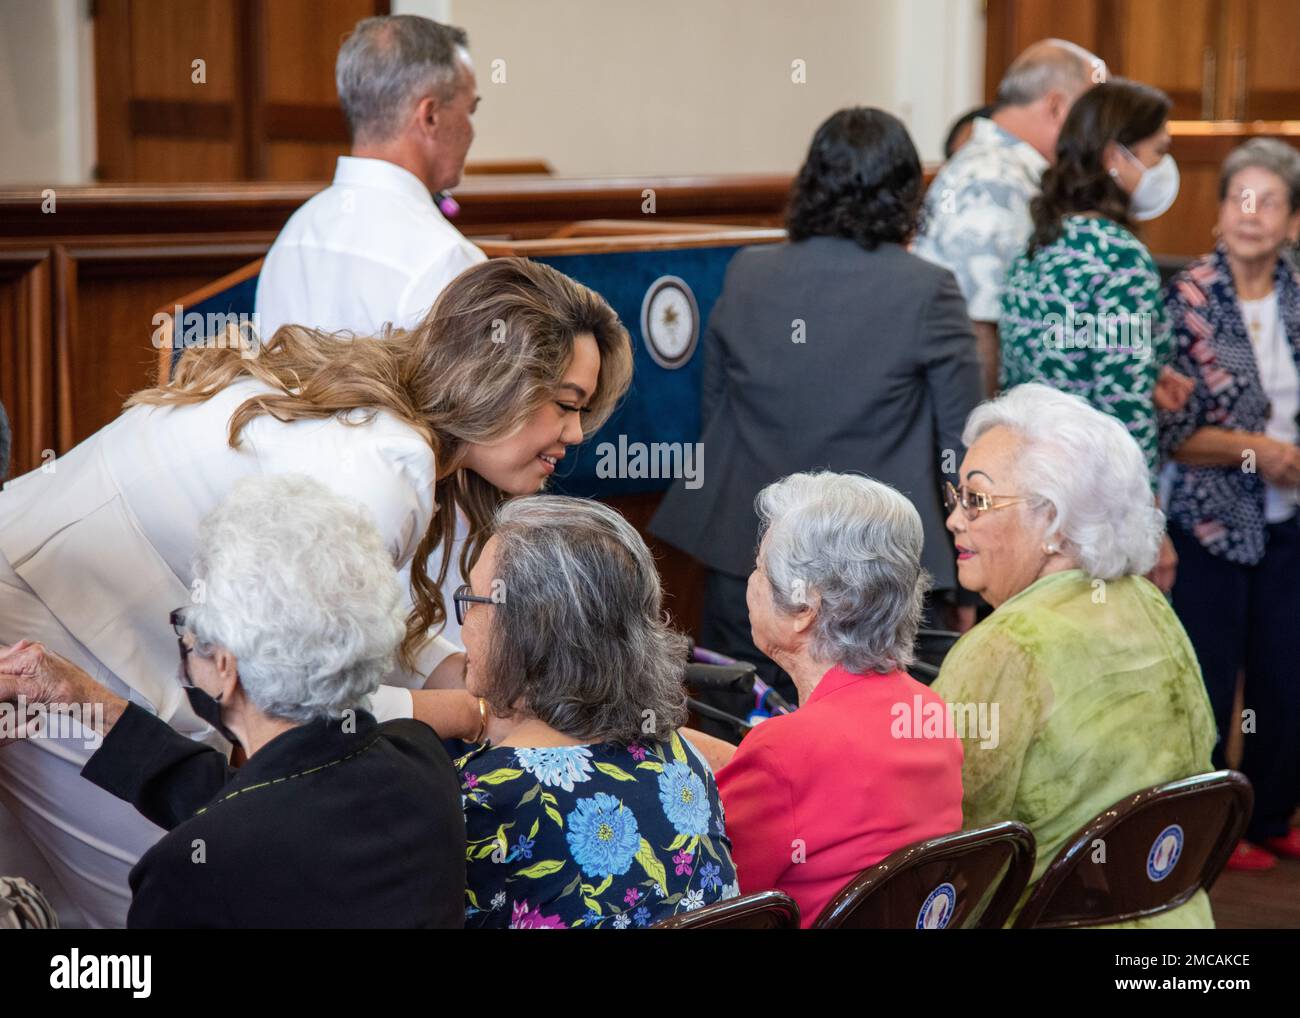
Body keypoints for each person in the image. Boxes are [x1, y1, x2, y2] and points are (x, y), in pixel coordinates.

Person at [0, 257, 632, 928]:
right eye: (565, 405)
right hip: (48, 617)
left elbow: (366, 625)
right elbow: (317, 696)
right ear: (495, 379)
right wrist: (478, 710)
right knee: (125, 911)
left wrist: (478, 677)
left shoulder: (391, 432)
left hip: (76, 605)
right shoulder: (381, 471)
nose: (575, 434)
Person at [0, 475, 467, 927]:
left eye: (190, 622)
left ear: (226, 666)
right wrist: (80, 695)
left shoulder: (187, 873)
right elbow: (249, 808)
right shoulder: (417, 756)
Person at [650, 107, 981, 708]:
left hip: (751, 558)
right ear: (908, 191)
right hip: (880, 572)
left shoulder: (748, 272)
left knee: (745, 735)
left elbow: (715, 409)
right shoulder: (928, 288)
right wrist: (967, 568)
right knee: (872, 750)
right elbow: (958, 445)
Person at [932, 384, 1217, 928]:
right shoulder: (1148, 602)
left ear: (1052, 522)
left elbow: (951, 846)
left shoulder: (1006, 645)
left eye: (977, 499)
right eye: (957, 497)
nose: (954, 519)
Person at [677, 472, 963, 928]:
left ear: (804, 609)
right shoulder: (927, 711)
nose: (750, 582)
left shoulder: (787, 752)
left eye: (759, 566)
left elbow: (703, 892)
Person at [452, 496, 738, 929]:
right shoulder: (682, 759)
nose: (462, 625)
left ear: (528, 630)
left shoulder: (478, 798)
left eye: (475, 602)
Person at [1160, 138, 1300, 871]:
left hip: (1290, 524)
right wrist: (1261, 451)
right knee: (1210, 683)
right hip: (1210, 522)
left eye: (1268, 200)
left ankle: (1272, 814)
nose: (1250, 214)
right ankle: (1213, 832)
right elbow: (1172, 431)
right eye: (1237, 197)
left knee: (1286, 676)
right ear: (1219, 214)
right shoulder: (1188, 297)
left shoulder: (1298, 293)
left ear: (1293, 221)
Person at [254, 14, 486, 339]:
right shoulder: (446, 259)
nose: (472, 130)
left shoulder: (294, 235)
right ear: (430, 116)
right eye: (470, 110)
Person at [915, 38, 1101, 395]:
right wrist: (983, 437)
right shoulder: (994, 179)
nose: (1101, 130)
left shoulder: (1007, 170)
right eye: (1094, 113)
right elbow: (978, 327)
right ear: (1058, 107)